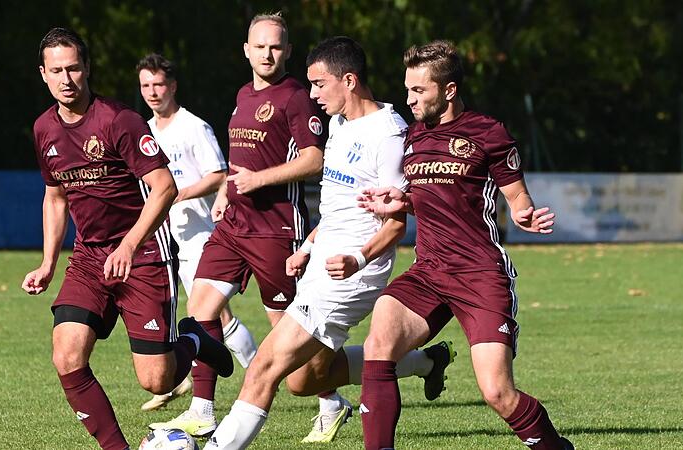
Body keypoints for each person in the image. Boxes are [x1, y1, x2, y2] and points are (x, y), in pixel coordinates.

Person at [203, 36, 456, 450]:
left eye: (320, 84)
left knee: (264, 366)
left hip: (352, 274)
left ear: (350, 81)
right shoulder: (340, 125)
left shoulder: (389, 135)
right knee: (305, 379)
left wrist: (356, 259)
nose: (313, 94)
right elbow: (339, 207)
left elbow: (396, 225)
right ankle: (428, 361)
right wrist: (309, 245)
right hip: (323, 261)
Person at [356, 40, 575, 450]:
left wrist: (524, 214)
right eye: (408, 90)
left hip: (479, 275)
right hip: (428, 271)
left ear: (449, 90)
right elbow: (433, 199)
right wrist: (401, 201)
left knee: (497, 392)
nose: (410, 100)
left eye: (419, 91)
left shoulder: (487, 133)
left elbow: (516, 197)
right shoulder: (414, 138)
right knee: (378, 345)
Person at [22, 28, 233, 450]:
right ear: (43, 74)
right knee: (66, 354)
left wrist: (130, 245)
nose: (66, 79)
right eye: (57, 70)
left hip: (144, 253)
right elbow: (55, 197)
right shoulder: (44, 128)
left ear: (87, 69)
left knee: (155, 379)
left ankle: (192, 339)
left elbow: (164, 187)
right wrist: (48, 262)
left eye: (74, 68)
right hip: (89, 257)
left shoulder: (119, 120)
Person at [150, 12, 326, 437]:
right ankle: (203, 409)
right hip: (233, 226)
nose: (268, 53)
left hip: (276, 229)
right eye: (260, 45)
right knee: (200, 309)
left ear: (287, 51)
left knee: (292, 342)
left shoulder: (295, 98)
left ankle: (332, 398)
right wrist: (227, 194)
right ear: (246, 50)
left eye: (276, 46)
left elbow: (314, 159)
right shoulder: (243, 95)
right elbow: (238, 162)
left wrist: (258, 180)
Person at [136, 54, 259, 412]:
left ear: (173, 86)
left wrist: (175, 194)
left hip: (195, 235)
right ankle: (174, 379)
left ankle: (259, 375)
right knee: (163, 311)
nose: (152, 92)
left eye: (158, 84)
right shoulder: (144, 129)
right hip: (161, 236)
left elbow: (219, 174)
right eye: (145, 86)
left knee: (215, 315)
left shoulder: (193, 126)